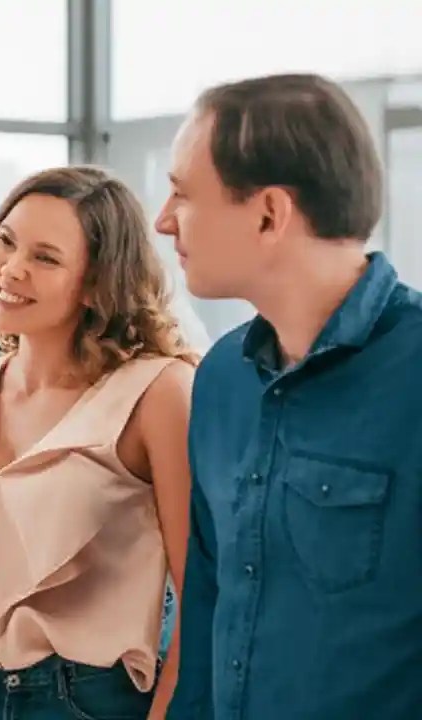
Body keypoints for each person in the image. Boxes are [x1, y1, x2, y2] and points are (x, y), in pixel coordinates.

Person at [160, 73, 422, 720]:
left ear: (270, 213)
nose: (164, 221)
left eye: (184, 195)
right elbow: (208, 602)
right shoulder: (221, 377)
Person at [0, 166, 199, 720]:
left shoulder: (158, 392)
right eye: (6, 241)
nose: (11, 268)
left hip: (93, 699)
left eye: (45, 258)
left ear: (99, 283)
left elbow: (202, 594)